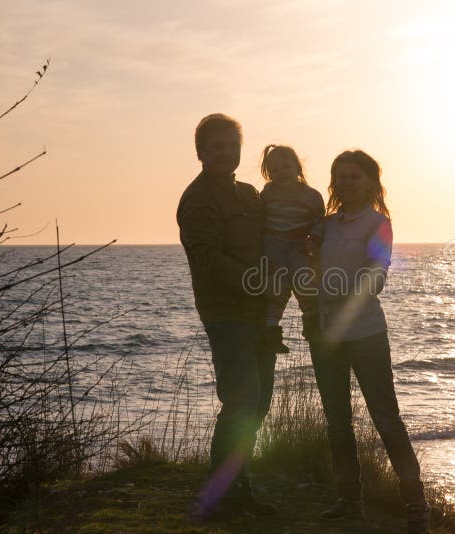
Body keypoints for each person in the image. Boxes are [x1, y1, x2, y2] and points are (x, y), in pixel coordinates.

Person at [309, 150, 431, 534]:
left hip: (366, 334)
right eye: (340, 177)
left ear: (371, 183)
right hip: (327, 335)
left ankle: (416, 504)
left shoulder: (379, 223)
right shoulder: (325, 225)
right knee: (337, 422)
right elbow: (306, 268)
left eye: (354, 177)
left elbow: (377, 275)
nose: (346, 183)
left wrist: (331, 288)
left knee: (386, 419)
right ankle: (349, 501)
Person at [177, 113, 277, 518]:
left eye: (230, 145)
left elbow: (276, 237)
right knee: (242, 399)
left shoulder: (250, 193)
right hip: (228, 313)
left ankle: (238, 484)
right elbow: (207, 260)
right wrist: (258, 283)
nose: (224, 153)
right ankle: (222, 492)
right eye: (215, 147)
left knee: (260, 401)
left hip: (262, 313)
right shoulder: (198, 199)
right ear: (201, 153)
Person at [258, 144, 324, 352]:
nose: (281, 173)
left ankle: (312, 322)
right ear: (269, 174)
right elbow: (259, 220)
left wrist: (314, 239)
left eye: (286, 167)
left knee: (305, 282)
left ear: (297, 167)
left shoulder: (311, 196)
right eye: (275, 170)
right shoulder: (267, 193)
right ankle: (271, 330)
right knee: (277, 287)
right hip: (273, 242)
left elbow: (319, 221)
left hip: (298, 244)